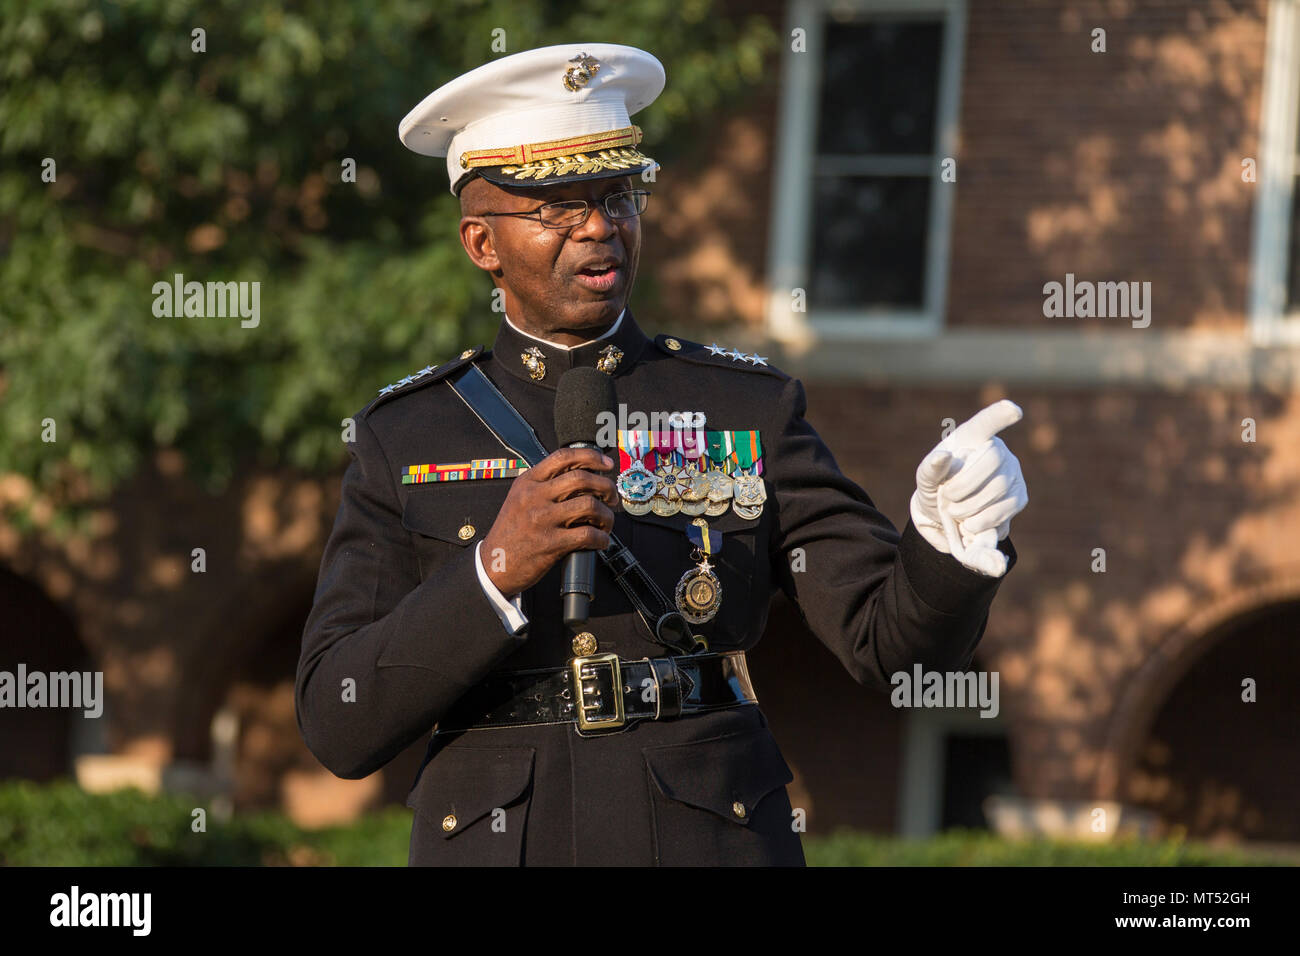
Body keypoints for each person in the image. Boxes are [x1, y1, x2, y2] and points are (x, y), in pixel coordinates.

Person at [295, 42, 1029, 866]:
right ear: (481, 244)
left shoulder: (745, 405)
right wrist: (495, 568)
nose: (600, 228)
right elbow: (337, 720)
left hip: (703, 835)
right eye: (555, 208)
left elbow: (887, 641)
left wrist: (949, 545)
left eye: (617, 195)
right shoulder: (408, 434)